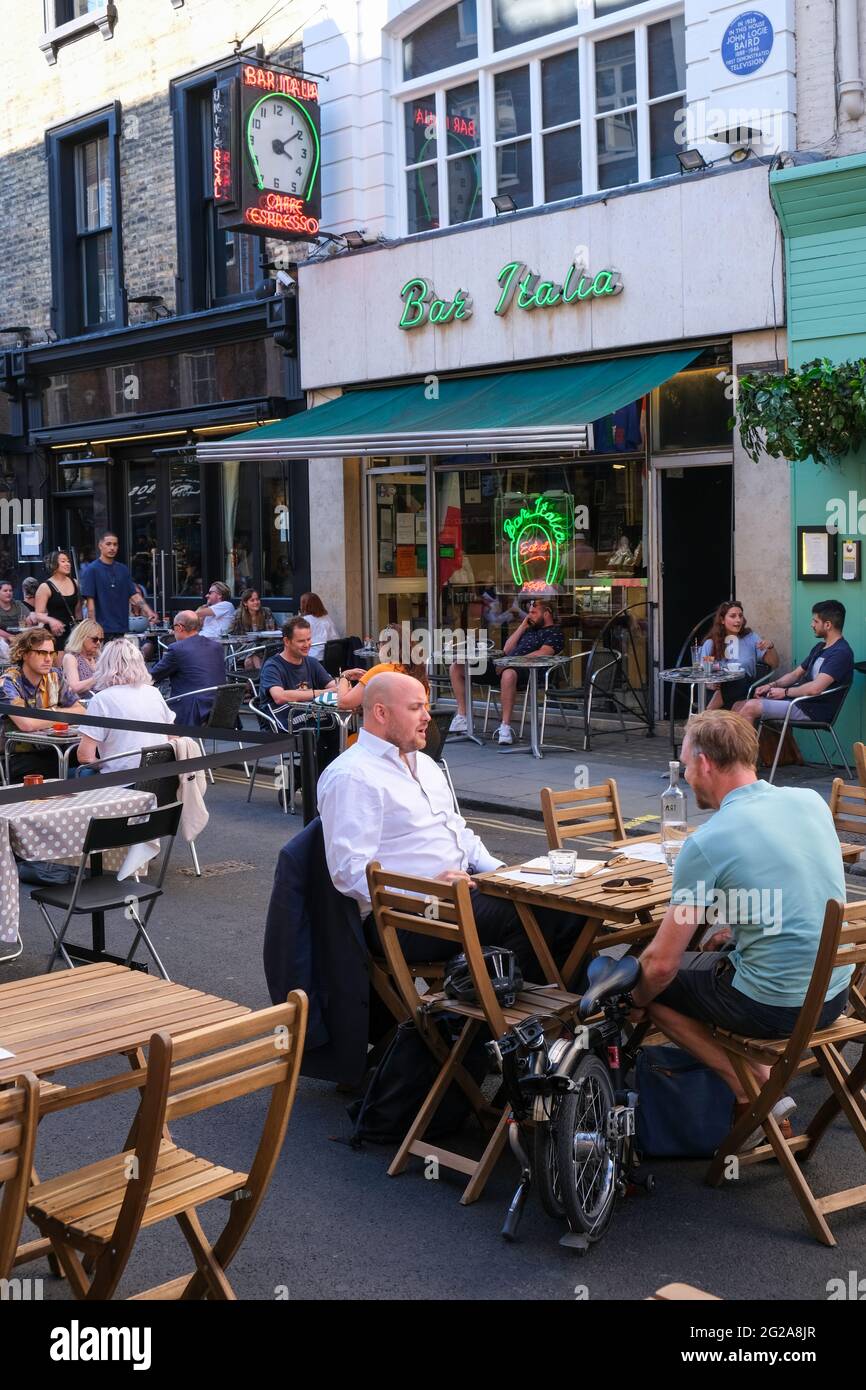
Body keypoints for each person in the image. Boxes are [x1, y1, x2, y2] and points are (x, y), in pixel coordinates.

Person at [630, 710, 852, 1137]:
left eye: (685, 764)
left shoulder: (708, 841)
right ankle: (755, 1080)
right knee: (702, 961)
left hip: (777, 1008)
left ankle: (752, 1087)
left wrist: (635, 999)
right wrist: (739, 930)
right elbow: (799, 886)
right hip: (833, 996)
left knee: (651, 983)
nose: (685, 776)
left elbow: (661, 965)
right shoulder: (809, 801)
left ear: (705, 763)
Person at [318, 671, 583, 976]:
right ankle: (516, 1013)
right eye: (416, 708)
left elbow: (459, 834)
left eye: (426, 707)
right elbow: (349, 873)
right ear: (380, 712)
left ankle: (512, 1006)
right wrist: (425, 891)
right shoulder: (352, 775)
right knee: (541, 914)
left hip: (459, 893)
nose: (427, 717)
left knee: (566, 901)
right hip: (403, 918)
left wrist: (502, 874)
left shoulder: (426, 764)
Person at [448, 597, 564, 745]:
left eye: (533, 613)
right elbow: (507, 649)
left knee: (508, 673)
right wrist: (522, 626)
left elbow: (543, 653)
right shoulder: (528, 629)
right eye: (528, 613)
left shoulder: (555, 632)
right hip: (504, 665)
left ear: (547, 613)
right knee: (457, 667)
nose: (529, 616)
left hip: (529, 672)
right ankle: (463, 717)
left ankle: (505, 727)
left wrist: (510, 663)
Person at [733, 599, 854, 727]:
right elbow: (795, 674)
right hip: (796, 701)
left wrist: (785, 692)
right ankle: (736, 747)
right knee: (738, 705)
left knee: (750, 707)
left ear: (828, 625)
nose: (812, 625)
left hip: (812, 710)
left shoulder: (841, 653)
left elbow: (815, 689)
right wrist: (772, 685)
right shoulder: (820, 647)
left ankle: (745, 748)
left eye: (815, 621)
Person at [259, 617, 356, 769]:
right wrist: (321, 692)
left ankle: (316, 781)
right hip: (283, 722)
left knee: (344, 736)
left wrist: (344, 679)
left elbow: (334, 687)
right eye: (301, 641)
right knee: (317, 742)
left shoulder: (311, 662)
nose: (307, 645)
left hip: (311, 718)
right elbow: (279, 697)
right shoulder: (273, 666)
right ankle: (306, 781)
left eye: (309, 639)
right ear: (287, 641)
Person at [75, 639, 176, 774]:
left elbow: (85, 757)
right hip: (160, 779)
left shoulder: (101, 699)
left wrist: (107, 765)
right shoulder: (154, 692)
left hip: (122, 784)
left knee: (78, 773)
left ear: (104, 665)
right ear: (139, 663)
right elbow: (174, 738)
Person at [1, 627, 85, 781]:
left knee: (95, 754)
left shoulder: (55, 676)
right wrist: (60, 711)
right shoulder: (8, 682)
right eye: (42, 653)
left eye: (51, 653)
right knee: (58, 769)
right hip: (18, 755)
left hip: (53, 748)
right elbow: (26, 725)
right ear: (24, 653)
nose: (49, 659)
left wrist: (47, 715)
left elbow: (81, 711)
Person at [148, 611, 226, 725]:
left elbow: (151, 676)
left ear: (179, 627)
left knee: (151, 712)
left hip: (193, 709)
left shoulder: (177, 649)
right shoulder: (217, 646)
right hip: (222, 707)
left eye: (173, 627)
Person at [699, 600, 778, 711]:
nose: (738, 620)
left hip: (744, 689)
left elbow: (774, 664)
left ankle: (707, 712)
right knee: (726, 684)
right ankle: (710, 712)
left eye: (740, 616)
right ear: (722, 620)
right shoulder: (710, 644)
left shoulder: (751, 638)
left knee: (737, 678)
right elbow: (704, 670)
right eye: (733, 616)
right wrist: (709, 684)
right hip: (716, 691)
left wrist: (770, 647)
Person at [80, 533, 156, 640]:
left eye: (115, 544)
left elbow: (134, 595)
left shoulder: (123, 569)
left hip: (122, 626)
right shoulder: (92, 570)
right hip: (102, 628)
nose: (112, 548)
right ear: (100, 545)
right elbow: (90, 604)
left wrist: (149, 612)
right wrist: (93, 628)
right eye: (108, 544)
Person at [33, 548, 81, 648]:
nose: (68, 564)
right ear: (54, 565)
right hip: (55, 632)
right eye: (63, 561)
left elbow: (78, 610)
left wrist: (80, 627)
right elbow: (38, 614)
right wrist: (51, 620)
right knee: (59, 661)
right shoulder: (45, 587)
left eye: (68, 561)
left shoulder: (75, 582)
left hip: (73, 631)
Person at [228, 588, 277, 671]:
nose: (256, 602)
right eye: (252, 600)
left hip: (264, 647)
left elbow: (271, 633)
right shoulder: (238, 614)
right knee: (253, 649)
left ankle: (251, 683)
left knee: (249, 661)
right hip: (244, 648)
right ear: (245, 603)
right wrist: (244, 640)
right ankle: (261, 678)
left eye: (257, 599)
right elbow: (231, 633)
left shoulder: (266, 612)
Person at [62, 619, 104, 698]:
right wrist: (99, 677)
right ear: (82, 637)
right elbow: (73, 687)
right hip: (81, 704)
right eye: (95, 639)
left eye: (100, 640)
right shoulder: (71, 658)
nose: (98, 643)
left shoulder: (99, 657)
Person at [298, 592, 341, 660]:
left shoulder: (305, 620)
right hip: (331, 655)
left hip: (314, 656)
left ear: (304, 605)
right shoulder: (327, 618)